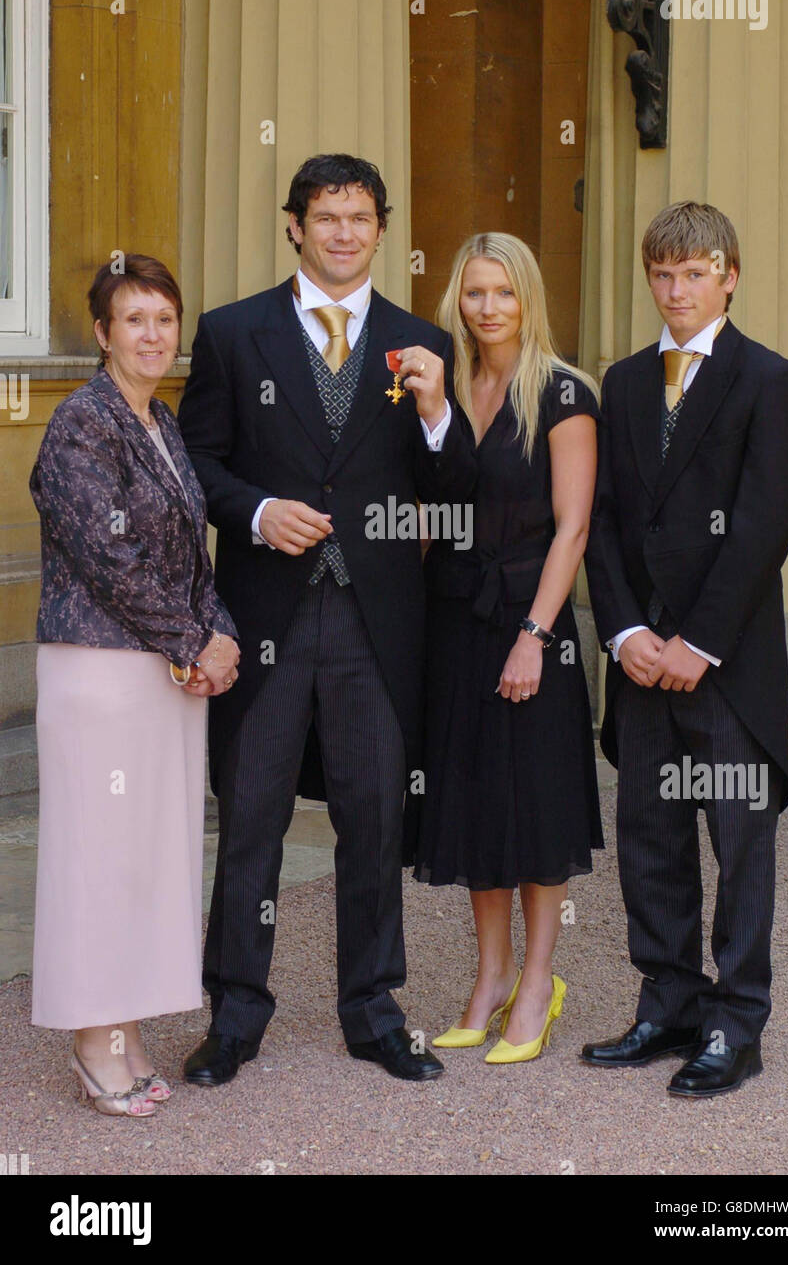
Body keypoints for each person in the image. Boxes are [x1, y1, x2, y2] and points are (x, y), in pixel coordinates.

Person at [177, 153, 476, 1086]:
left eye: (359, 218)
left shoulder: (420, 338)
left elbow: (451, 488)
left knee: (374, 822)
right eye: (325, 216)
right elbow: (196, 468)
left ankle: (373, 1011)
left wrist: (435, 414)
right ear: (295, 226)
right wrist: (260, 514)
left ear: (381, 228)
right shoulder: (234, 334)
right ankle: (234, 1015)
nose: (342, 233)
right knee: (252, 818)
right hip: (264, 615)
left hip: (375, 628)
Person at [582, 201, 788, 1097]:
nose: (675, 290)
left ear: (730, 274)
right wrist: (628, 631)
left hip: (726, 667)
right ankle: (667, 1004)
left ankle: (735, 1021)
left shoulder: (769, 379)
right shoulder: (626, 381)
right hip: (640, 664)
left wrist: (698, 642)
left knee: (737, 844)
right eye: (662, 275)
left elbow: (764, 524)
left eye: (693, 273)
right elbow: (602, 522)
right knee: (649, 837)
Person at [29, 255, 239, 1117]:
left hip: (161, 672)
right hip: (100, 672)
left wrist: (215, 633)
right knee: (98, 858)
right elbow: (106, 559)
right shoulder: (82, 423)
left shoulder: (161, 420)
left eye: (164, 319)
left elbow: (188, 550)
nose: (153, 335)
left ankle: (126, 1029)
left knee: (149, 855)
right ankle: (93, 1044)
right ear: (104, 333)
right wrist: (196, 638)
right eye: (135, 320)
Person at [412, 232, 603, 1063]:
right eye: (473, 293)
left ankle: (537, 983)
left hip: (532, 625)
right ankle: (488, 978)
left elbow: (574, 528)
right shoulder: (445, 385)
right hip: (456, 619)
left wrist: (534, 635)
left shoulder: (563, 393)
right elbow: (427, 505)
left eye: (503, 293)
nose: (487, 309)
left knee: (536, 805)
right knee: (475, 799)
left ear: (528, 299)